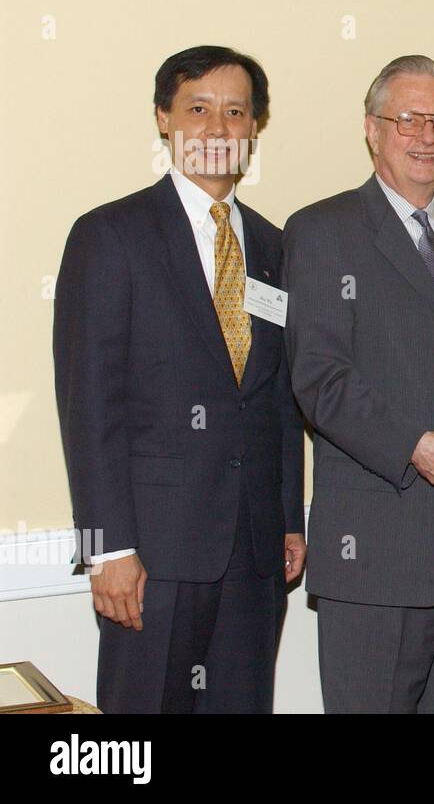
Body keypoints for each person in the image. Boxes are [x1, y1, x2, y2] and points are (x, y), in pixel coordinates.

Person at [53, 45, 304, 713]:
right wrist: (107, 548)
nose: (219, 128)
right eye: (199, 109)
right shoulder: (110, 236)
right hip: (151, 557)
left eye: (235, 112)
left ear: (254, 129)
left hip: (254, 555)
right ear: (164, 119)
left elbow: (277, 397)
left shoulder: (277, 247)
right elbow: (88, 405)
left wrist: (288, 519)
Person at [283, 55, 434, 713]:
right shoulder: (322, 231)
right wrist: (414, 443)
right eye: (407, 119)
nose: (426, 136)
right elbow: (319, 376)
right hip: (379, 554)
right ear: (372, 129)